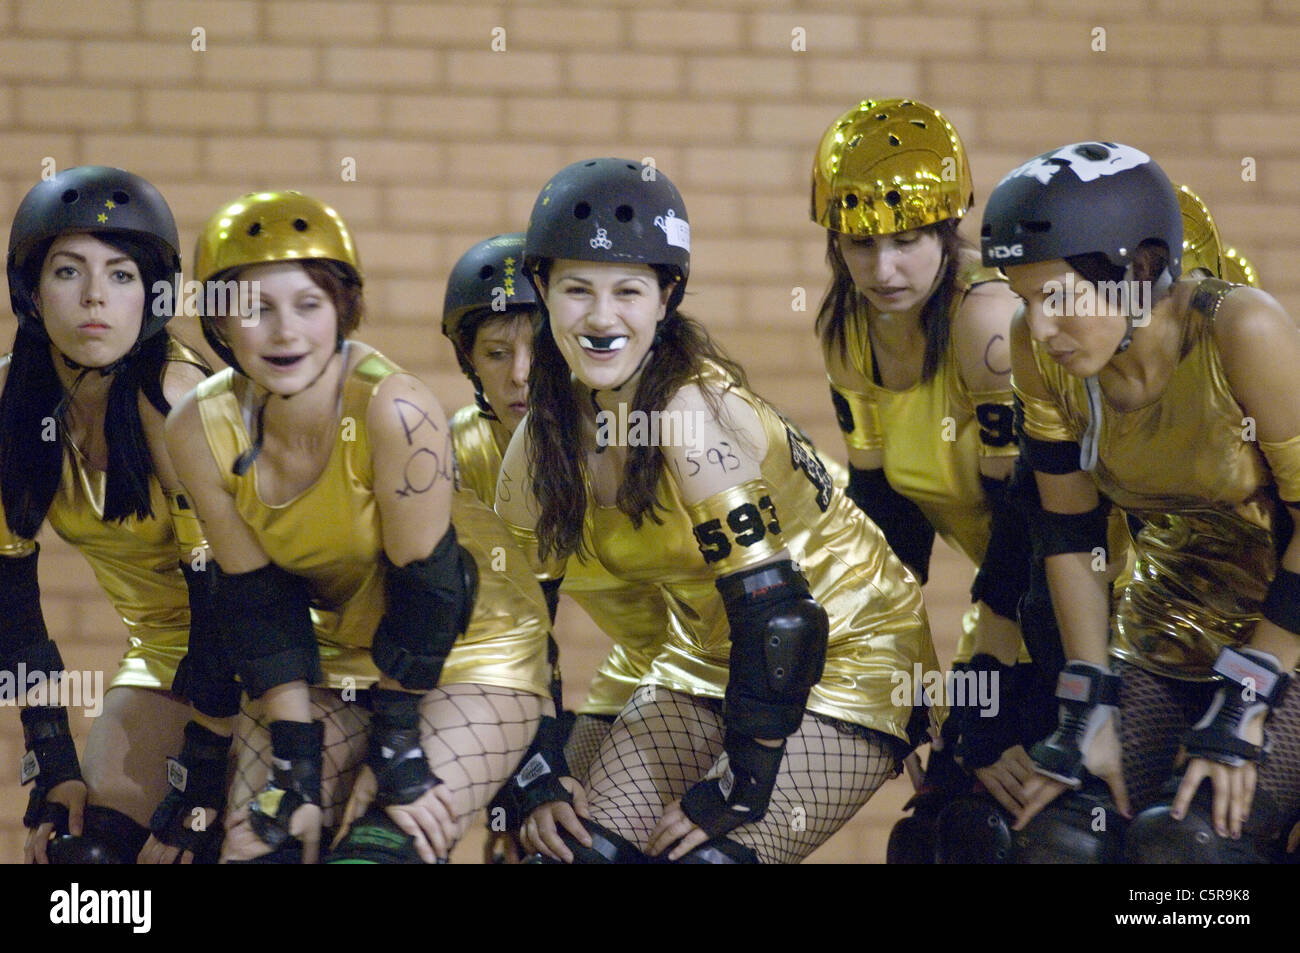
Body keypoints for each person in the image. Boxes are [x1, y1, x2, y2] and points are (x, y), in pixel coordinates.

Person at [496, 157, 940, 863]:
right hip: (713, 653)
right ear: (542, 289)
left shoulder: (689, 414)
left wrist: (741, 785)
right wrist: (534, 774)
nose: (602, 318)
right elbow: (509, 635)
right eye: (577, 289)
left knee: (710, 859)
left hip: (855, 648)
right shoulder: (537, 448)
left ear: (667, 297)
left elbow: (782, 619)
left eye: (628, 292)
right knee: (571, 851)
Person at [166, 190, 552, 863]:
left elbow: (432, 594)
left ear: (341, 310)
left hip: (468, 644)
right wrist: (294, 762)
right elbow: (257, 601)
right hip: (330, 649)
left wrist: (397, 748)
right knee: (265, 845)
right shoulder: (195, 425)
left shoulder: (394, 408)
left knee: (377, 849)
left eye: (309, 305)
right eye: (257, 310)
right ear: (221, 325)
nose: (286, 331)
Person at [987, 141, 1300, 863]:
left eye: (1058, 297)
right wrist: (1088, 697)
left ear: (1140, 272)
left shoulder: (1242, 331)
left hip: (1287, 638)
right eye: (1024, 298)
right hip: (1170, 629)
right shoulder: (1041, 353)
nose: (1037, 329)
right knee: (1054, 835)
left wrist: (1251, 695)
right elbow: (1067, 534)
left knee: (1188, 847)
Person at [810, 98, 1056, 855]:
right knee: (929, 838)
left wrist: (986, 688)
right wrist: (884, 674)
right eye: (859, 244)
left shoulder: (984, 322)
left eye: (907, 241)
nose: (883, 270)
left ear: (949, 232)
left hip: (1091, 592)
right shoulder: (851, 329)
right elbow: (889, 526)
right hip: (1016, 594)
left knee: (1016, 830)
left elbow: (1035, 516)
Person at [1, 165, 231, 864]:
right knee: (83, 859)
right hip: (167, 657)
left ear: (152, 296)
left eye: (122, 275)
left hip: (280, 650)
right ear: (33, 295)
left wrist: (201, 779)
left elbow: (234, 601)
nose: (96, 297)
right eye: (69, 272)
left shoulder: (174, 400)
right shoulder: (13, 399)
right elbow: (12, 602)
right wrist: (51, 758)